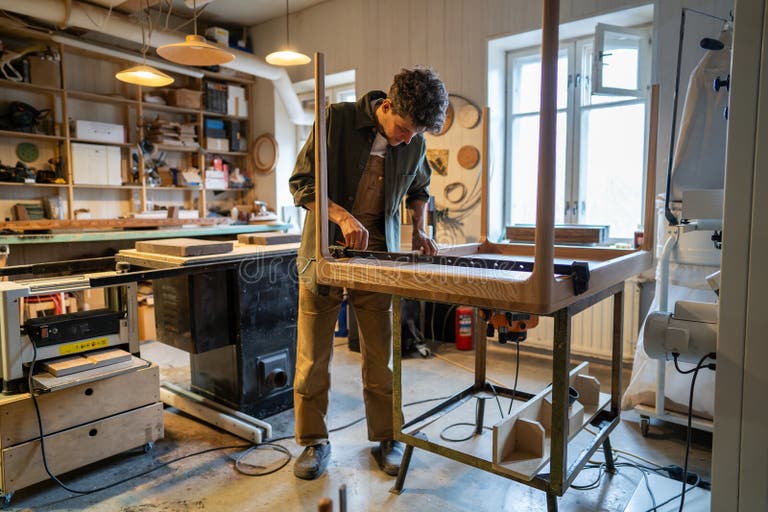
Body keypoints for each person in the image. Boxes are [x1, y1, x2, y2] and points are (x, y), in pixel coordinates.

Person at [288, 67, 448, 480]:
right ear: (388, 105)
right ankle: (312, 441)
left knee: (382, 357)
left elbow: (420, 190)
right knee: (313, 357)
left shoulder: (414, 142)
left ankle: (387, 437)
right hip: (324, 253)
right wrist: (340, 217)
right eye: (403, 128)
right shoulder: (336, 120)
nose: (407, 138)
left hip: (379, 258)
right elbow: (301, 184)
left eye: (416, 133)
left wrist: (421, 230)